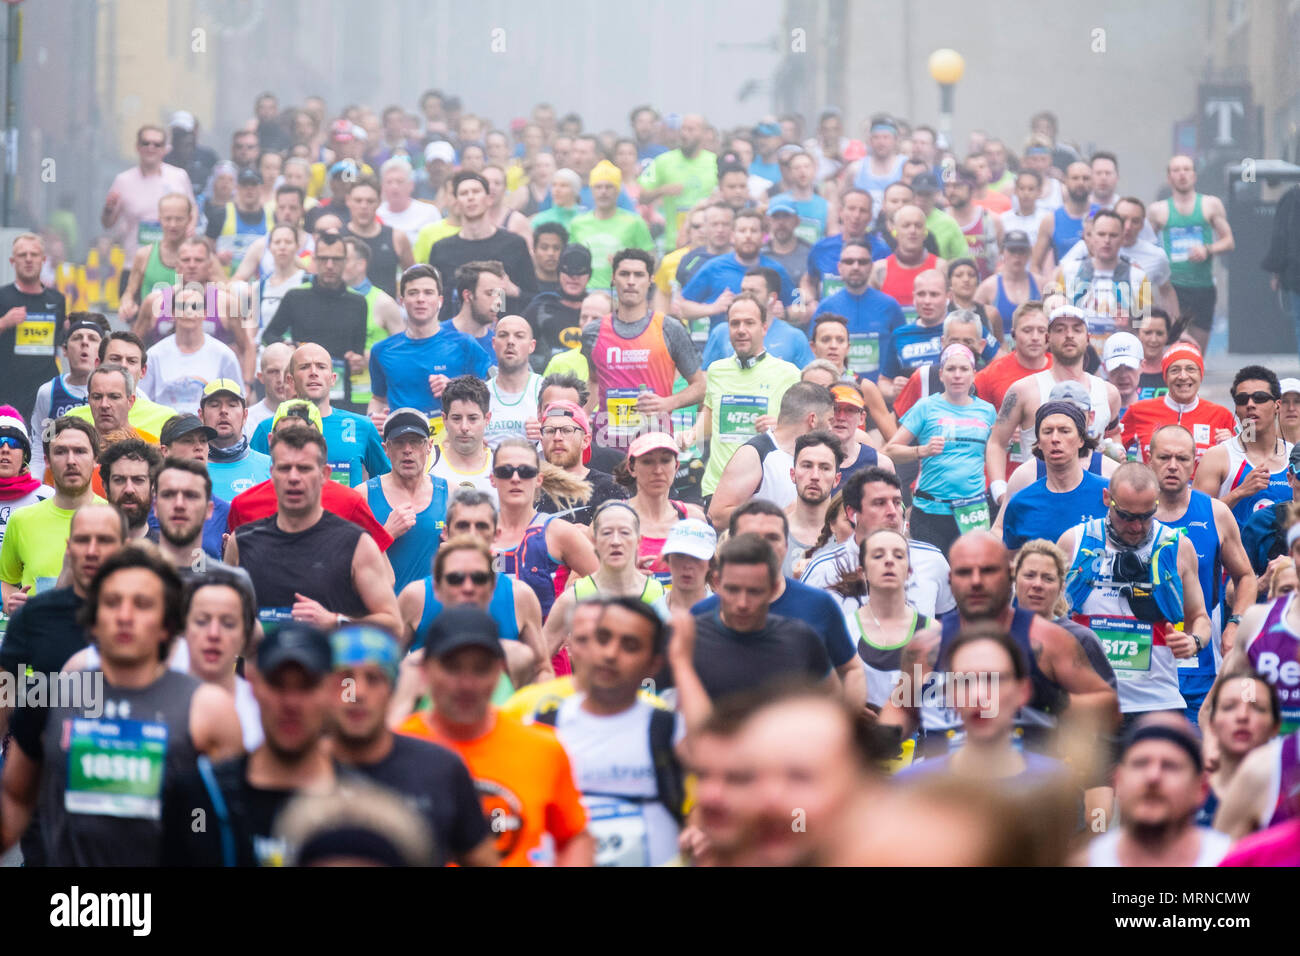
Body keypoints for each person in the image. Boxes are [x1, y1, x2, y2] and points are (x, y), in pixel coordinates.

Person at [1, 546, 241, 866]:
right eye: (112, 602)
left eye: (142, 604)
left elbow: (232, 830)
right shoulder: (50, 699)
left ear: (167, 624)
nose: (125, 616)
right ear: (92, 618)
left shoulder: (209, 710)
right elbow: (15, 800)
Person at [879, 530, 1120, 759]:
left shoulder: (1049, 641)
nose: (976, 581)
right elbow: (902, 708)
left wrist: (1053, 699)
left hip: (1029, 794)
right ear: (951, 580)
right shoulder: (926, 646)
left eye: (987, 571)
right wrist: (880, 740)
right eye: (964, 572)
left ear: (1009, 575)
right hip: (949, 793)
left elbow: (1109, 712)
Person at [396, 605, 594, 866]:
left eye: (480, 669)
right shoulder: (396, 747)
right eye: (452, 668)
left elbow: (575, 836)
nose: (466, 683)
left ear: (500, 671)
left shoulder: (543, 747)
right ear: (425, 671)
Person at [160, 622, 354, 867]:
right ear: (253, 683)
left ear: (332, 690)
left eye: (306, 685)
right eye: (277, 684)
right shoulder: (201, 795)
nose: (291, 703)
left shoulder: (361, 808)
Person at [327, 624, 499, 866]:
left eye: (374, 679)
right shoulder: (293, 767)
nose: (358, 693)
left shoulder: (441, 768)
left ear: (392, 688)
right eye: (345, 680)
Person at [1057, 463, 1212, 726]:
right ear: (1107, 498)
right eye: (1126, 516)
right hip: (1090, 703)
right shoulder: (1074, 542)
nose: (1137, 527)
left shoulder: (1176, 545)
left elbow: (1200, 618)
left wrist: (1194, 642)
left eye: (1146, 515)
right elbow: (1048, 620)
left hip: (1158, 702)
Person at [541, 597, 688, 866]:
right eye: (603, 638)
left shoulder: (671, 731)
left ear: (654, 664)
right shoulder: (543, 728)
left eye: (630, 645)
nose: (610, 653)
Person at [226, 422, 401, 635]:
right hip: (262, 667)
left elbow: (393, 625)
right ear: (272, 473)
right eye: (284, 468)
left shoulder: (357, 544)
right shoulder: (241, 542)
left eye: (304, 468)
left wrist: (336, 622)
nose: (293, 477)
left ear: (325, 475)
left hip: (332, 666)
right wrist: (252, 634)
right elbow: (226, 618)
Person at [1149, 425, 1259, 720]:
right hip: (1141, 658)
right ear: (1150, 459)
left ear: (1194, 464)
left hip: (1198, 654)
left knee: (1197, 749)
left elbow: (1246, 576)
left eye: (1182, 459)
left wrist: (1235, 623)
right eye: (1164, 457)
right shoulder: (1132, 512)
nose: (1173, 466)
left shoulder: (1215, 512)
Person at [0, 504, 123, 757]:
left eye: (104, 540)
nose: (92, 551)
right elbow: (4, 693)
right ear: (69, 547)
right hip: (43, 765)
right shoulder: (33, 617)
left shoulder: (145, 619)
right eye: (82, 540)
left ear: (123, 548)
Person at [897, 626, 1072, 786]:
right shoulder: (911, 786)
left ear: (1022, 692)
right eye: (965, 681)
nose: (978, 696)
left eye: (993, 680)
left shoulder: (1056, 786)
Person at [986, 305, 1120, 508]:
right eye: (1060, 329)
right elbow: (996, 442)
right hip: (1037, 500)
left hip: (1094, 503)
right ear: (1048, 338)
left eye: (1076, 329)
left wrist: (1115, 450)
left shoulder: (1108, 392)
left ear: (1088, 337)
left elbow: (1113, 436)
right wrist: (1000, 492)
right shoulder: (1024, 390)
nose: (1069, 335)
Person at [683, 533, 834, 701]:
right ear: (717, 582)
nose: (742, 603)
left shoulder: (800, 639)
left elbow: (830, 695)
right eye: (733, 589)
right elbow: (651, 687)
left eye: (754, 591)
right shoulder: (690, 636)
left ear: (773, 587)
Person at [582, 249, 704, 450]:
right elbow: (594, 381)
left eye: (638, 275)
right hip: (607, 446)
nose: (631, 281)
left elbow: (700, 386)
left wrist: (668, 403)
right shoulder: (593, 332)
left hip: (654, 447)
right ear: (613, 278)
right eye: (624, 274)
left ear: (650, 280)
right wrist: (583, 415)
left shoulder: (669, 328)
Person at [883, 344, 996, 552]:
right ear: (941, 374)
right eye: (951, 369)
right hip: (931, 510)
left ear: (974, 374)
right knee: (933, 575)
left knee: (972, 576)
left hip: (973, 510)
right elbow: (890, 451)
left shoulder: (987, 411)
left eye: (964, 369)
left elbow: (997, 452)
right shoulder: (926, 406)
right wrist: (921, 451)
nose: (957, 375)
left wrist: (1007, 438)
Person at [1084, 715, 1231, 867]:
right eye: (1140, 764)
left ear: (1201, 788)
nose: (1153, 777)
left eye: (1170, 766)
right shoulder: (1086, 862)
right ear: (1117, 781)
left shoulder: (1232, 860)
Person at [367, 265, 494, 439]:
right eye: (413, 293)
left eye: (428, 292)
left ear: (440, 301)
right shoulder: (382, 351)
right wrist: (372, 418)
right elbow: (378, 399)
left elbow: (491, 393)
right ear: (401, 301)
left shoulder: (464, 344)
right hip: (403, 444)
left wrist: (456, 389)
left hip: (452, 446)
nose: (421, 299)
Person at [697, 294, 801, 499]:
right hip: (716, 489)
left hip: (765, 490)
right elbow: (708, 422)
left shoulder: (790, 373)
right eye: (734, 323)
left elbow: (807, 430)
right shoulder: (716, 371)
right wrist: (689, 436)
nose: (741, 330)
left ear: (764, 328)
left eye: (749, 323)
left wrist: (782, 426)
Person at [0, 418, 104, 613]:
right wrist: (10, 602)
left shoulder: (114, 519)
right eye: (61, 452)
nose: (71, 461)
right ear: (46, 460)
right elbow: (6, 582)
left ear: (95, 458)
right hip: (37, 638)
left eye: (80, 451)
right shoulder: (21, 520)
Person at [252, 343, 390, 489]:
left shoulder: (362, 426)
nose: (313, 372)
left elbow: (388, 483)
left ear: (333, 378)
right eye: (304, 367)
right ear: (290, 380)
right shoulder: (268, 428)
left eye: (321, 366)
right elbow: (253, 483)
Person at [259, 231, 369, 413]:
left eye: (336, 259)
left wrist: (358, 359)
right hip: (302, 394)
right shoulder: (296, 297)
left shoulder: (358, 303)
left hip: (342, 393)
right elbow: (269, 335)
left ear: (345, 262)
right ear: (315, 260)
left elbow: (357, 350)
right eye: (324, 259)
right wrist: (289, 347)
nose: (329, 265)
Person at [541, 501, 669, 656]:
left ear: (638, 540)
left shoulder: (659, 595)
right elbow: (539, 662)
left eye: (625, 532)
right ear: (594, 541)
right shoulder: (573, 598)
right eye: (607, 533)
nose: (615, 541)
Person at [1213, 510, 1300, 736]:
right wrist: (1252, 707)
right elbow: (1241, 687)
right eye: (1285, 590)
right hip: (1268, 749)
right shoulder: (1256, 621)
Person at [493, 438, 599, 620]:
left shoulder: (559, 533)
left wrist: (577, 626)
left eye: (526, 471)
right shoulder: (476, 532)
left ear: (538, 479)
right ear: (493, 479)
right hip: (489, 646)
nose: (516, 479)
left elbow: (607, 585)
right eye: (505, 471)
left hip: (547, 646)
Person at [706, 383, 834, 529]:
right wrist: (779, 517)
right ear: (813, 420)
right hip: (763, 550)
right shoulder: (755, 453)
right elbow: (717, 516)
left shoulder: (821, 458)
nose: (831, 429)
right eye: (830, 421)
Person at [996, 397, 1109, 552]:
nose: (1055, 439)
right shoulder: (1021, 502)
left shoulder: (1107, 493)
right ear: (1039, 443)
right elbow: (1011, 563)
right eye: (1047, 432)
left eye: (1064, 431)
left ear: (1081, 440)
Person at [1148, 155, 1234, 352]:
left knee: (1197, 350)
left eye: (1186, 169)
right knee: (1175, 345)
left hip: (1203, 286)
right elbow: (1145, 246)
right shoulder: (1158, 210)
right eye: (1176, 170)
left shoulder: (1210, 205)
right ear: (1169, 177)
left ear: (1194, 176)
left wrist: (1207, 249)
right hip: (1173, 286)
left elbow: (1229, 241)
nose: (1182, 174)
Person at [428, 171, 536, 320]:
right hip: (455, 336)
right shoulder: (441, 249)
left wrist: (514, 291)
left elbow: (535, 298)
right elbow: (434, 302)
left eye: (476, 192)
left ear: (489, 199)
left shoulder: (514, 244)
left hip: (502, 335)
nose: (471, 197)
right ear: (457, 202)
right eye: (464, 193)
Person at [1195, 366, 1294, 527]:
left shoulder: (1294, 456)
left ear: (1277, 405)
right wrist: (1239, 493)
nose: (1250, 404)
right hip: (1233, 552)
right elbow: (1196, 521)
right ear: (1236, 408)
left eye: (1260, 397)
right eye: (1242, 399)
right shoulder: (1218, 456)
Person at [365, 408, 448, 594]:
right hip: (385, 613)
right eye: (399, 443)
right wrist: (386, 534)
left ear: (429, 446)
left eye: (416, 442)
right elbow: (346, 562)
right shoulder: (363, 496)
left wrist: (459, 550)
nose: (408, 450)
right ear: (386, 449)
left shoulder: (452, 494)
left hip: (435, 615)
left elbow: (479, 558)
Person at [1119, 342, 1234, 465]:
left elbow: (1246, 460)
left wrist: (1232, 446)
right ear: (1165, 377)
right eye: (1175, 370)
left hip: (1203, 485)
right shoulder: (1138, 411)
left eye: (1190, 369)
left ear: (1201, 375)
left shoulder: (1221, 415)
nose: (1183, 376)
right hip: (1151, 483)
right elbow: (1112, 450)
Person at [614, 432, 706, 585]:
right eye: (648, 462)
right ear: (632, 468)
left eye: (665, 461)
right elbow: (575, 584)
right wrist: (618, 577)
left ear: (676, 466)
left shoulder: (692, 518)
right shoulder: (612, 518)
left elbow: (712, 579)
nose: (657, 470)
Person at [101, 123, 197, 268]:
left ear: (165, 149)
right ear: (137, 147)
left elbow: (193, 209)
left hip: (174, 266)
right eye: (145, 143)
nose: (150, 148)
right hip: (135, 266)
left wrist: (191, 226)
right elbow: (108, 224)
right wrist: (108, 209)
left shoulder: (179, 176)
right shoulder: (123, 180)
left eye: (157, 144)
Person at [138, 284, 244, 416]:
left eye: (195, 307)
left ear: (205, 313)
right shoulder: (154, 355)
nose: (188, 311)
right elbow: (141, 401)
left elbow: (239, 402)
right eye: (182, 306)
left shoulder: (224, 355)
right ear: (172, 313)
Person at [810, 240, 906, 383]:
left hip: (881, 395)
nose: (856, 267)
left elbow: (902, 351)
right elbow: (813, 353)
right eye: (849, 262)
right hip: (837, 393)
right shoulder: (826, 307)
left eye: (862, 262)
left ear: (871, 267)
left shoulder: (890, 306)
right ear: (840, 267)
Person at [1195, 670, 1280, 829]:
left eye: (1258, 708)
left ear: (1275, 726)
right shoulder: (1187, 792)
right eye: (1229, 707)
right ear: (1212, 724)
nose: (1242, 716)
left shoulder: (1289, 799)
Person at [680, 210, 795, 324]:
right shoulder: (714, 267)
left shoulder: (775, 269)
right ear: (732, 236)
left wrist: (785, 313)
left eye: (754, 231)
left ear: (763, 236)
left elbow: (801, 305)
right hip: (723, 339)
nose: (748, 236)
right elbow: (683, 307)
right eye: (742, 231)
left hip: (767, 340)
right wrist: (713, 308)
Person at [0, 233, 70, 418]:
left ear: (44, 260)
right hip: (8, 389)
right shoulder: (2, 296)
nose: (29, 260)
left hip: (44, 390)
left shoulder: (57, 300)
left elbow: (61, 342)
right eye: (23, 255)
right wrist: (4, 322)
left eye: (34, 254)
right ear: (12, 261)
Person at [28, 315, 103, 474]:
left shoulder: (121, 391)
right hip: (58, 480)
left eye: (92, 338)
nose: (84, 342)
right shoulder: (48, 392)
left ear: (103, 351)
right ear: (65, 350)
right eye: (77, 338)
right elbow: (39, 445)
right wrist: (36, 484)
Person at [699, 267, 813, 369]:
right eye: (743, 290)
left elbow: (809, 381)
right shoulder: (721, 332)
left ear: (772, 298)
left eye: (753, 292)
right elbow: (704, 377)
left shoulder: (794, 337)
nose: (746, 296)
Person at [568, 160, 655, 290]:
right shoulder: (577, 223)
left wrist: (625, 262)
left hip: (622, 293)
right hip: (585, 294)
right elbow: (571, 261)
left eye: (609, 187)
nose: (603, 192)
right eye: (598, 187)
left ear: (618, 190)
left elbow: (651, 260)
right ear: (591, 190)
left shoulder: (634, 222)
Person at [536, 400, 626, 526]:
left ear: (586, 441)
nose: (557, 437)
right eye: (550, 431)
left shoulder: (611, 488)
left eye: (566, 430)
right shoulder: (529, 488)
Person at [891, 309, 993, 417]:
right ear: (943, 343)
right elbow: (896, 421)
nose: (960, 347)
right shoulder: (923, 376)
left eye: (968, 342)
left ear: (981, 345)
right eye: (954, 341)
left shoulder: (991, 378)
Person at [637, 113, 717, 249]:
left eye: (691, 130)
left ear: (704, 134)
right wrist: (661, 191)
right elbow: (641, 197)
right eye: (683, 129)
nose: (684, 134)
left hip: (709, 244)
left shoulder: (715, 162)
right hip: (673, 244)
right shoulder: (663, 161)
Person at [870, 204, 947, 323]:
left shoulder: (940, 267)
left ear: (925, 231)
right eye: (906, 226)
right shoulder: (879, 269)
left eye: (918, 225)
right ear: (894, 230)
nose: (913, 231)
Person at [195, 378, 269, 501]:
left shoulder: (270, 467)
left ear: (245, 416)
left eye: (232, 405)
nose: (223, 411)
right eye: (214, 405)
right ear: (201, 415)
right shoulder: (187, 471)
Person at [426, 375, 496, 501]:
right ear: (444, 419)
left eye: (472, 418)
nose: (464, 427)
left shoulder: (500, 466)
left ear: (487, 419)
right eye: (456, 418)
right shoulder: (427, 462)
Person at [343, 175, 413, 297]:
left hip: (385, 312)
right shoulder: (337, 237)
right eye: (358, 200)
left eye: (370, 201)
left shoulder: (397, 237)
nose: (364, 206)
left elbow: (413, 278)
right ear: (348, 201)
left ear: (379, 202)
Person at [525, 243, 592, 368]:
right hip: (547, 378)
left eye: (580, 273)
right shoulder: (541, 307)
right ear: (559, 272)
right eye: (568, 271)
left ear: (589, 275)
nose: (574, 278)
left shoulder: (597, 309)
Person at [485, 316, 543, 449]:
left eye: (519, 336)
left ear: (532, 346)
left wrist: (547, 432)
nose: (510, 341)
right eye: (503, 335)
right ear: (494, 343)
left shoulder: (545, 390)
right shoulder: (480, 394)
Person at [1241, 448, 1300, 576]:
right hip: (1272, 595)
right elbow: (1232, 592)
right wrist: (1266, 581)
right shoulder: (1261, 522)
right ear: (1290, 479)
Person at [1030, 161, 1096, 274]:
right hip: (1064, 287)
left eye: (1086, 178)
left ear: (1093, 182)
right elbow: (1035, 266)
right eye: (1075, 178)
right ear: (1065, 181)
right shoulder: (1052, 220)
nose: (1080, 183)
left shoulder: (1102, 216)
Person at [100, 437, 160, 540]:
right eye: (119, 480)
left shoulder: (168, 553)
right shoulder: (88, 550)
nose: (129, 489)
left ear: (153, 488)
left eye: (138, 480)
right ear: (105, 486)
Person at [444, 260, 506, 359]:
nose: (499, 302)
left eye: (500, 295)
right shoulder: (438, 338)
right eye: (490, 293)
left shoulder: (500, 346)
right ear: (468, 295)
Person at [376, 156, 443, 245]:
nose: (394, 187)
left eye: (399, 181)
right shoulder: (376, 215)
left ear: (411, 185)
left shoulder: (429, 213)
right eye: (389, 182)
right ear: (382, 186)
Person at [662, 518, 716, 614]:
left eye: (697, 557)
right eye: (679, 556)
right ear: (667, 559)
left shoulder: (723, 613)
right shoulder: (650, 614)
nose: (687, 565)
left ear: (710, 563)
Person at [244, 341, 295, 439]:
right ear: (261, 377)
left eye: (286, 371)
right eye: (273, 372)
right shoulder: (247, 421)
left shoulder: (310, 417)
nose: (281, 379)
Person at [761, 201, 813, 287]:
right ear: (769, 221)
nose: (781, 222)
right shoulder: (760, 254)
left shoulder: (810, 253)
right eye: (776, 217)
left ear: (797, 221)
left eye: (786, 216)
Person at [1101, 331, 1143, 416]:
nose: (1123, 375)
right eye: (1116, 369)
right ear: (1104, 368)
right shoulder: (1094, 411)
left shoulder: (1151, 410)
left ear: (1142, 366)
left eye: (1129, 368)